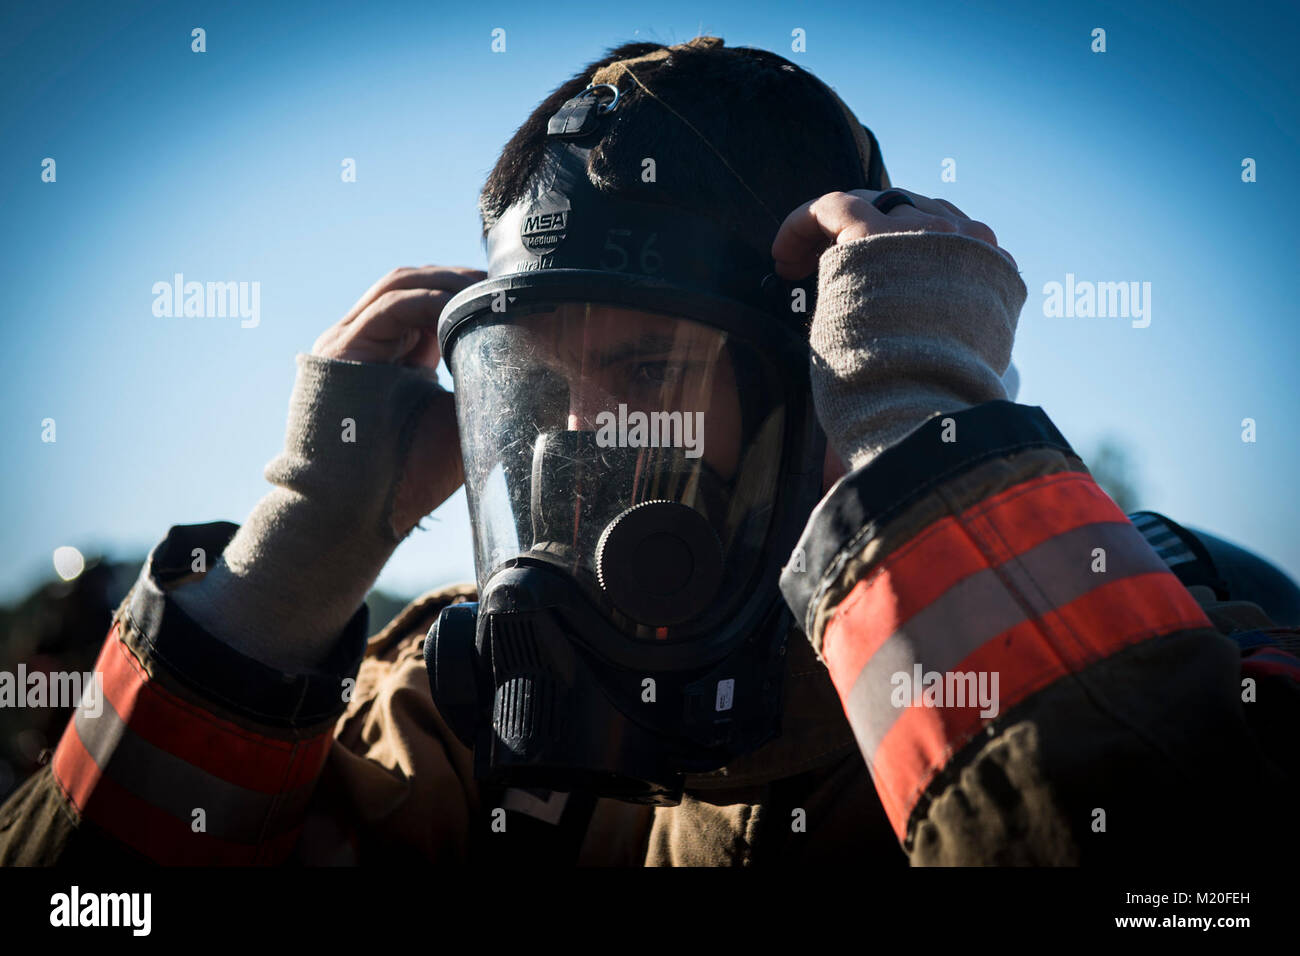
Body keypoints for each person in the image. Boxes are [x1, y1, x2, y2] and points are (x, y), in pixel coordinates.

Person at [2, 37, 1297, 867]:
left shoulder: (1188, 648)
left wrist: (918, 436)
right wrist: (279, 581)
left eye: (643, 371)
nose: (572, 441)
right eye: (532, 387)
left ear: (808, 377)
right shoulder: (446, 716)